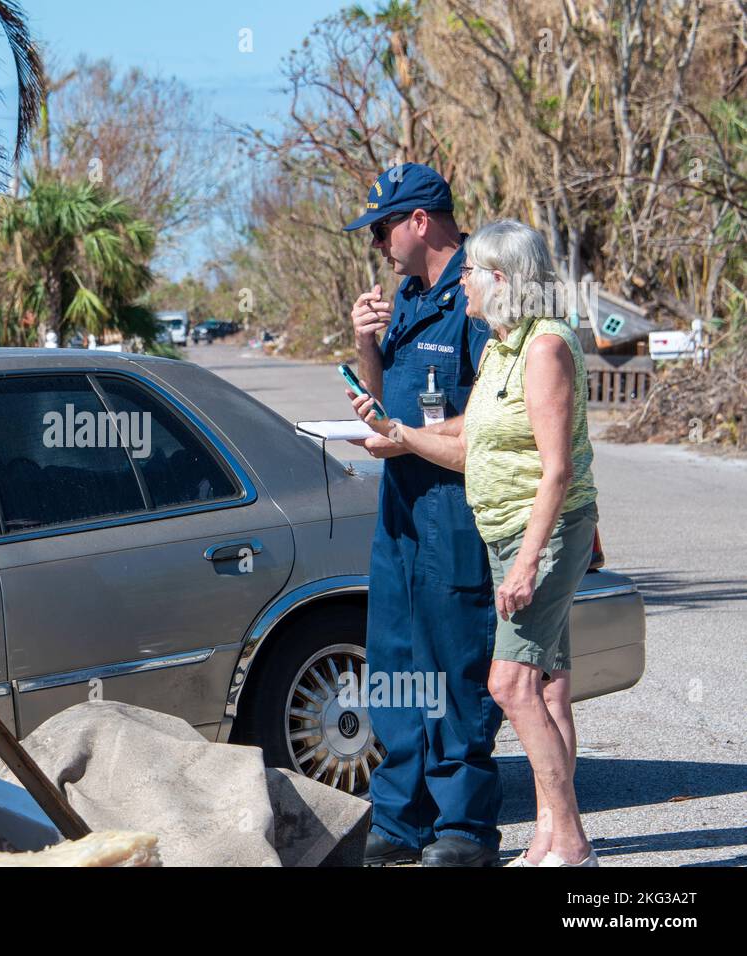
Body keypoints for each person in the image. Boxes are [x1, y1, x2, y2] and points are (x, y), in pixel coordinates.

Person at [348, 218, 600, 867]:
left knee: (509, 685)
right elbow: (473, 434)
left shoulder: (545, 348)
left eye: (473, 272)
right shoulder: (503, 346)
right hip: (505, 530)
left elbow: (557, 469)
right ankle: (550, 836)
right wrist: (398, 432)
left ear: (503, 279)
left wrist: (524, 563)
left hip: (533, 533)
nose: (463, 281)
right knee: (545, 689)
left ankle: (567, 843)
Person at [342, 164, 502, 867]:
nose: (377, 243)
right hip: (401, 504)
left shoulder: (480, 291)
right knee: (397, 662)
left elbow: (494, 415)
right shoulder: (405, 299)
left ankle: (464, 830)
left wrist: (410, 438)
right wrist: (365, 345)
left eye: (381, 228)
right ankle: (400, 822)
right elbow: (378, 405)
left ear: (417, 221)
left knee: (455, 662)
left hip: (455, 505)